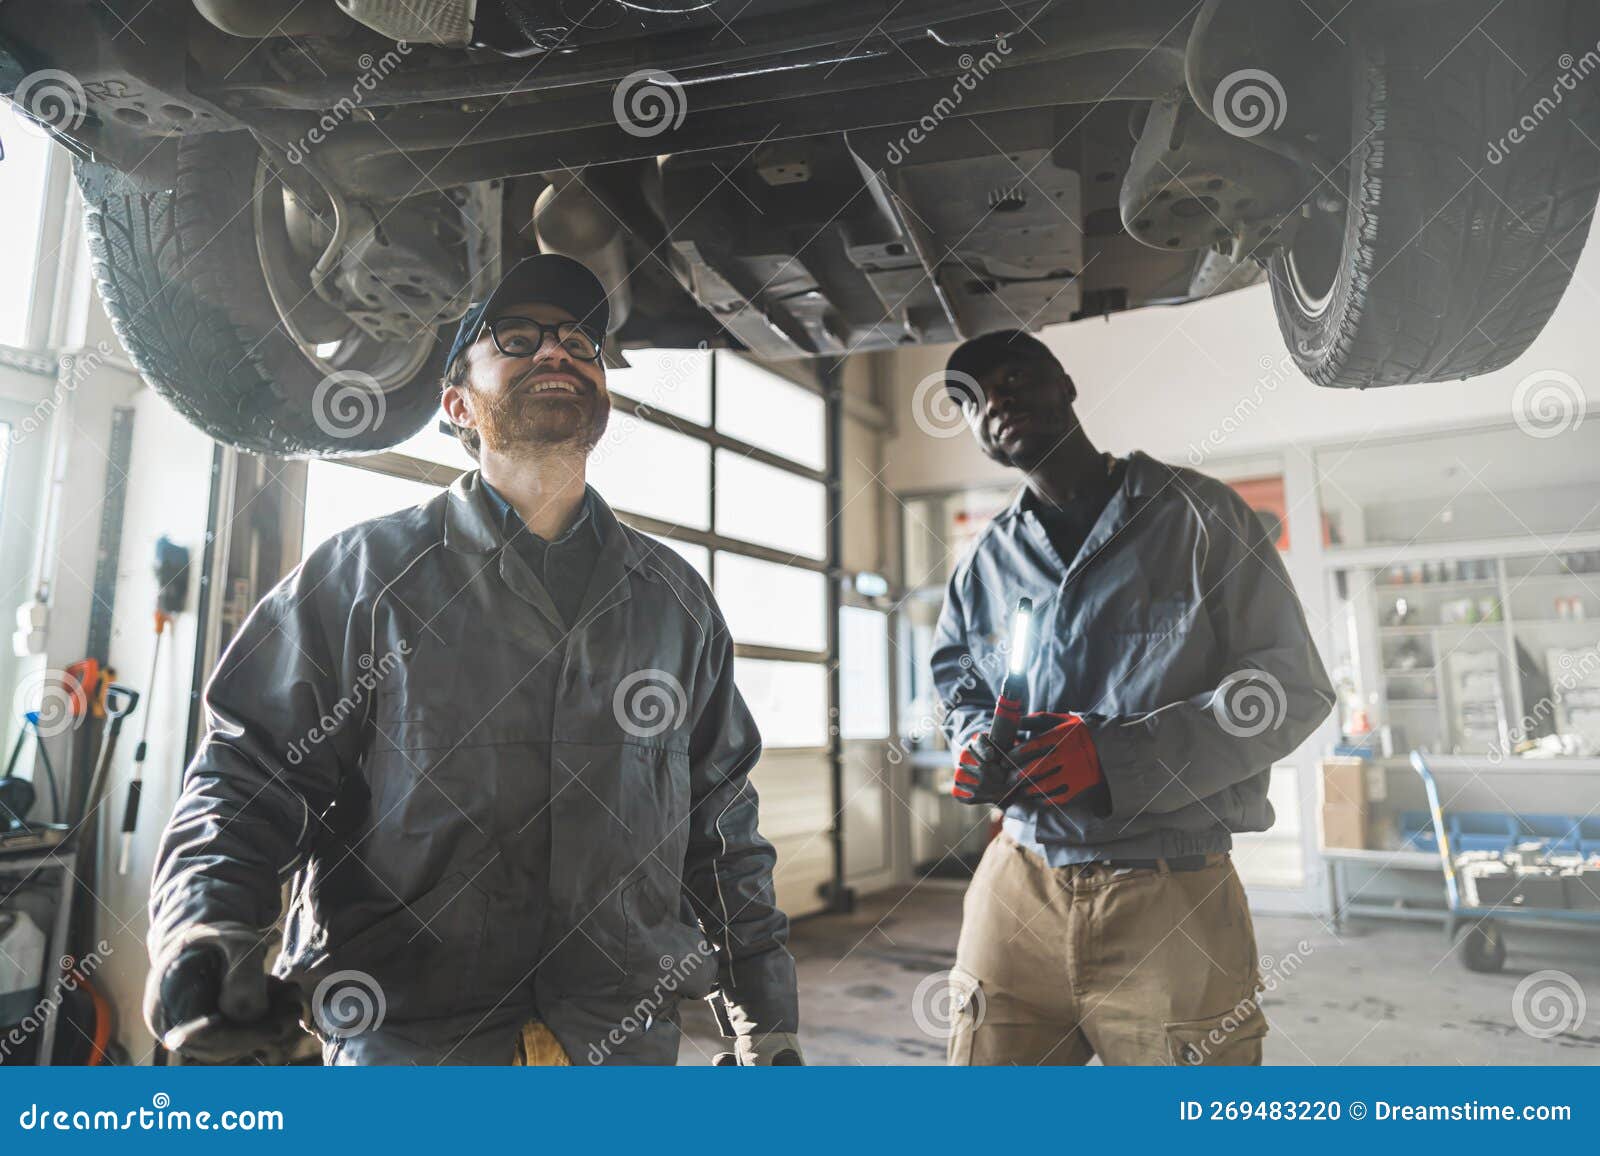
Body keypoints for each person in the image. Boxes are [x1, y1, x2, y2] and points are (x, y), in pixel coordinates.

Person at [143, 254, 801, 1066]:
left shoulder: (675, 603)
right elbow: (249, 776)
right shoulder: (365, 578)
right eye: (516, 338)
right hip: (412, 1048)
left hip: (619, 1045)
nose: (558, 352)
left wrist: (764, 1015)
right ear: (456, 403)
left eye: (580, 344)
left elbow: (722, 826)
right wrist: (204, 930)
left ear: (603, 397)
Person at [930, 330, 1333, 1066]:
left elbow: (1290, 688)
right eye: (974, 401)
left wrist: (1121, 758)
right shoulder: (984, 562)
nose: (998, 402)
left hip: (1169, 893)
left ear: (1066, 386)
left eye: (1016, 377)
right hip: (1016, 886)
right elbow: (957, 690)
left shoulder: (1201, 517)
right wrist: (970, 744)